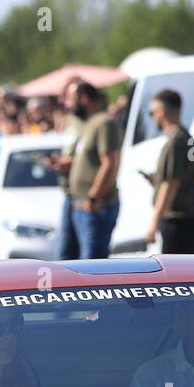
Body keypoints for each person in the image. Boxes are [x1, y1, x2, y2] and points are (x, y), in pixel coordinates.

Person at [67, 82, 121, 259]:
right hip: (82, 206)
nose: (68, 104)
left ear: (84, 98)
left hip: (96, 207)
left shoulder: (104, 122)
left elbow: (110, 163)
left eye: (72, 99)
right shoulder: (90, 124)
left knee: (92, 271)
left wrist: (93, 197)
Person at [143, 88, 194, 253]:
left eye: (152, 112)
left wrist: (154, 223)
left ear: (162, 111)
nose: (152, 117)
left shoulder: (175, 142)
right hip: (190, 220)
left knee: (173, 275)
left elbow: (171, 184)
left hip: (176, 223)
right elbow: (192, 176)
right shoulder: (190, 139)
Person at [47, 78, 85, 261]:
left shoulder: (87, 123)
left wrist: (68, 163)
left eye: (68, 96)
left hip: (84, 198)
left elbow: (91, 158)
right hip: (70, 195)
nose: (64, 101)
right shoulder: (70, 121)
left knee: (85, 258)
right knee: (65, 256)